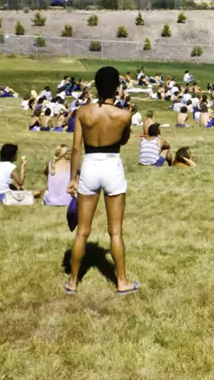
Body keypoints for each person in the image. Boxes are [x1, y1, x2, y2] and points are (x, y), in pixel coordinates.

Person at [65, 66, 138, 295]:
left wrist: (72, 178)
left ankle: (73, 281)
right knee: (115, 231)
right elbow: (124, 140)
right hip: (112, 164)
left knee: (82, 232)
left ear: (96, 86)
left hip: (90, 164)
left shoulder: (83, 112)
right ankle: (122, 281)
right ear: (116, 87)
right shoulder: (124, 114)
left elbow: (76, 148)